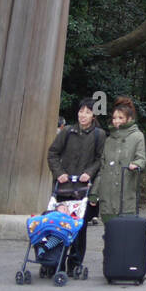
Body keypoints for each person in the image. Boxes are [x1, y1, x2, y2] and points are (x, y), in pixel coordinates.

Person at [46, 97, 104, 274]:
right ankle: (54, 262)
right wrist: (59, 173)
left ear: (94, 115)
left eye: (87, 112)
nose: (83, 115)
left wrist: (90, 172)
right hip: (64, 187)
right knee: (59, 225)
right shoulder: (67, 131)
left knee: (80, 228)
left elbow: (100, 159)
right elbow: (53, 153)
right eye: (81, 111)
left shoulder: (99, 135)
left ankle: (75, 264)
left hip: (83, 189)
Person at [92, 96, 146, 218]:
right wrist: (94, 192)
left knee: (125, 234)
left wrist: (136, 164)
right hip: (107, 198)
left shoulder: (137, 136)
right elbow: (102, 168)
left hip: (126, 195)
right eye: (114, 118)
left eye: (120, 118)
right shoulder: (108, 140)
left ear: (130, 118)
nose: (116, 121)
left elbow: (141, 158)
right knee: (109, 234)